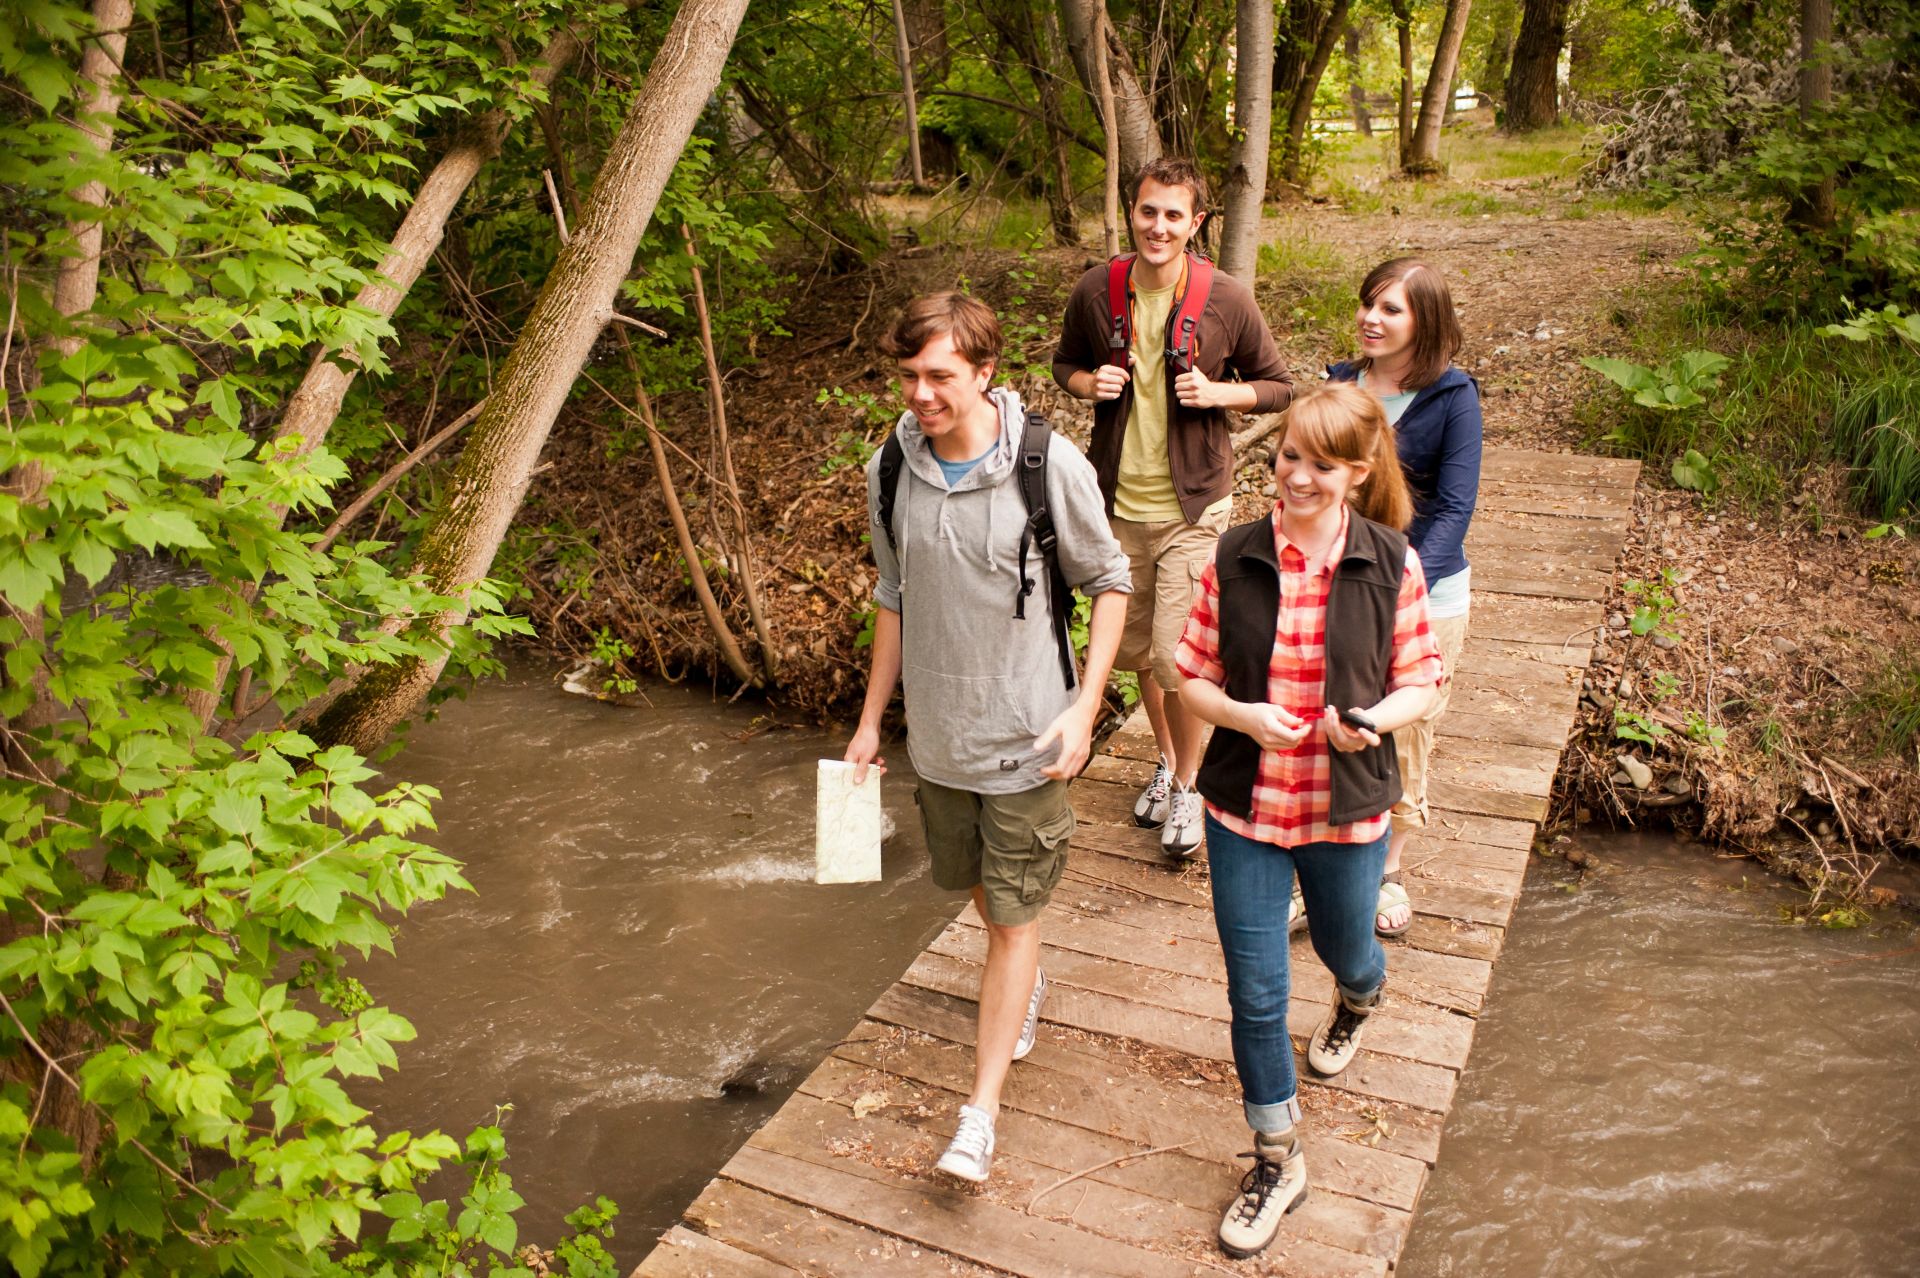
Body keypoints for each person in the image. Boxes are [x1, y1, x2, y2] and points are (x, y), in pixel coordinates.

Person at [844, 292, 1131, 1187]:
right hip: (939, 742)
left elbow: (1111, 581)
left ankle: (981, 1114)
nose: (921, 394)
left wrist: (1085, 709)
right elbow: (892, 598)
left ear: (983, 372)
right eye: (909, 376)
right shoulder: (888, 467)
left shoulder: (1048, 466)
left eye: (939, 376)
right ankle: (1025, 977)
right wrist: (866, 727)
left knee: (1011, 921)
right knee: (976, 890)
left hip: (1028, 739)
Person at [1172, 383, 1441, 1259]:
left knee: (1345, 947)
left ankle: (1362, 993)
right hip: (1244, 803)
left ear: (1357, 474)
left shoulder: (1393, 561)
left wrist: (1369, 722)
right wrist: (1243, 717)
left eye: (1321, 465)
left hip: (1345, 805)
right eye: (1290, 455)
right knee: (1255, 992)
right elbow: (1190, 674)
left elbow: (1422, 680)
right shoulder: (1235, 552)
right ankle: (1277, 1157)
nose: (1296, 476)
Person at [1053, 156, 1293, 860]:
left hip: (1195, 507)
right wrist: (1082, 382)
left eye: (1173, 215)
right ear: (1132, 213)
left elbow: (1279, 387)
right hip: (1114, 506)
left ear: (1196, 223)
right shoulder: (1098, 291)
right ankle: (1169, 762)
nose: (1159, 226)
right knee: (1135, 657)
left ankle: (1190, 787)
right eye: (1147, 211)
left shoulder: (1226, 299)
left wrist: (1222, 395)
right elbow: (1061, 363)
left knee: (1175, 659)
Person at [1326, 258, 1482, 937]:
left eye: (1391, 309)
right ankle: (1334, 849)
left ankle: (1388, 868)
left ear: (1426, 321)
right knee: (1341, 713)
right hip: (1339, 584)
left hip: (1427, 591)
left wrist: (1402, 577)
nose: (1371, 317)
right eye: (1368, 304)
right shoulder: (1340, 384)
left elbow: (1454, 505)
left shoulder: (1454, 397)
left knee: (1409, 727)